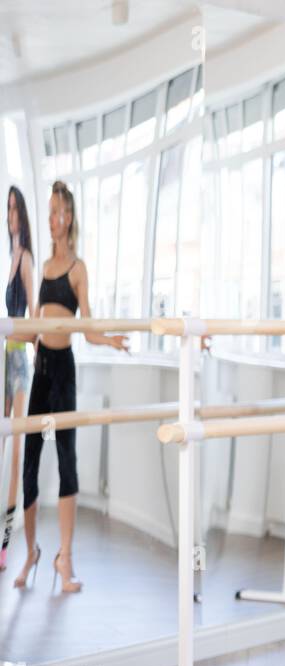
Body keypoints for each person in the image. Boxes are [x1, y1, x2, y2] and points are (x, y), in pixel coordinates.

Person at [14, 180, 129, 592]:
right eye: (47, 214)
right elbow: (34, 328)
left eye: (56, 213)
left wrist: (111, 339)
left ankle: (66, 559)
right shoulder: (43, 268)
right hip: (41, 367)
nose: (50, 221)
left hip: (64, 371)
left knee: (67, 462)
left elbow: (88, 328)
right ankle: (30, 554)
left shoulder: (78, 269)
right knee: (29, 462)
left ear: (70, 217)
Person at [2, 186, 36, 572]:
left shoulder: (25, 259)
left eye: (15, 209)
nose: (10, 214)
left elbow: (33, 322)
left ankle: (6, 544)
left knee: (16, 454)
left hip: (19, 365)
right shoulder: (9, 258)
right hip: (2, 360)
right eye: (7, 208)